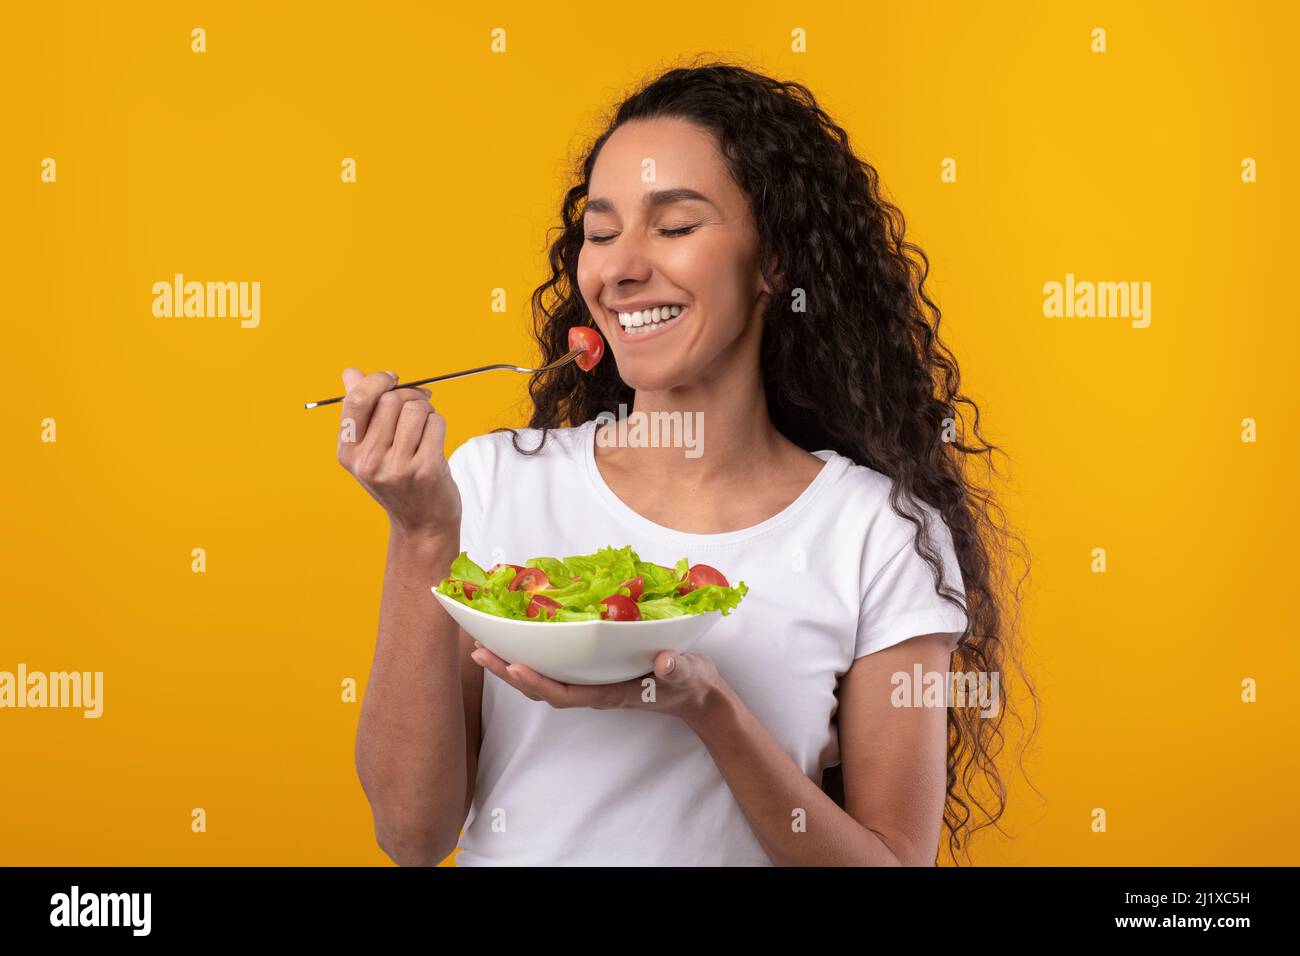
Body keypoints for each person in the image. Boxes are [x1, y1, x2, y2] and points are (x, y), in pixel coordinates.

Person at [339, 61, 1030, 866]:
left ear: (775, 263)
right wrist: (422, 536)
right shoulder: (491, 485)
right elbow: (409, 837)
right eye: (600, 233)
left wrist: (713, 712)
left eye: (673, 228)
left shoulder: (877, 535)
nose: (620, 268)